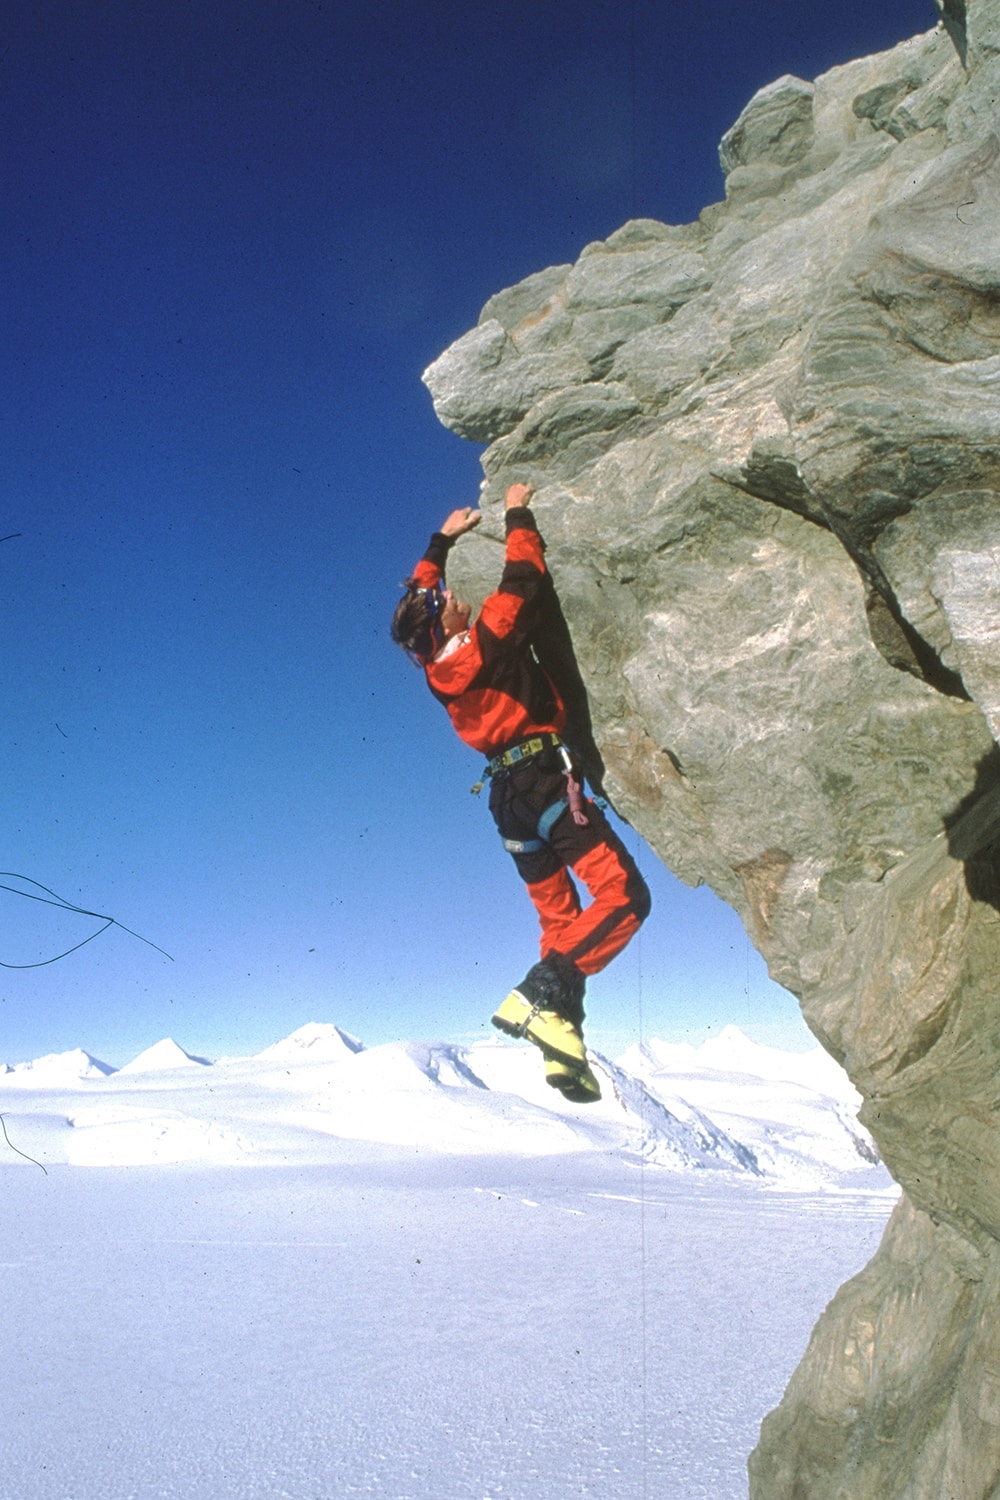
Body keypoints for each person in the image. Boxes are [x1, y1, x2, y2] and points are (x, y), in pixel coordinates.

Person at [391, 482, 650, 1103]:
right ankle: (541, 993)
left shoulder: (437, 666)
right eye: (443, 602)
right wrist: (517, 511)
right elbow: (523, 580)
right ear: (439, 627)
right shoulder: (483, 645)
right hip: (544, 785)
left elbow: (417, 596)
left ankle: (563, 1042)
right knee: (626, 898)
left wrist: (442, 540)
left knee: (561, 919)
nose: (451, 597)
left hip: (508, 802)